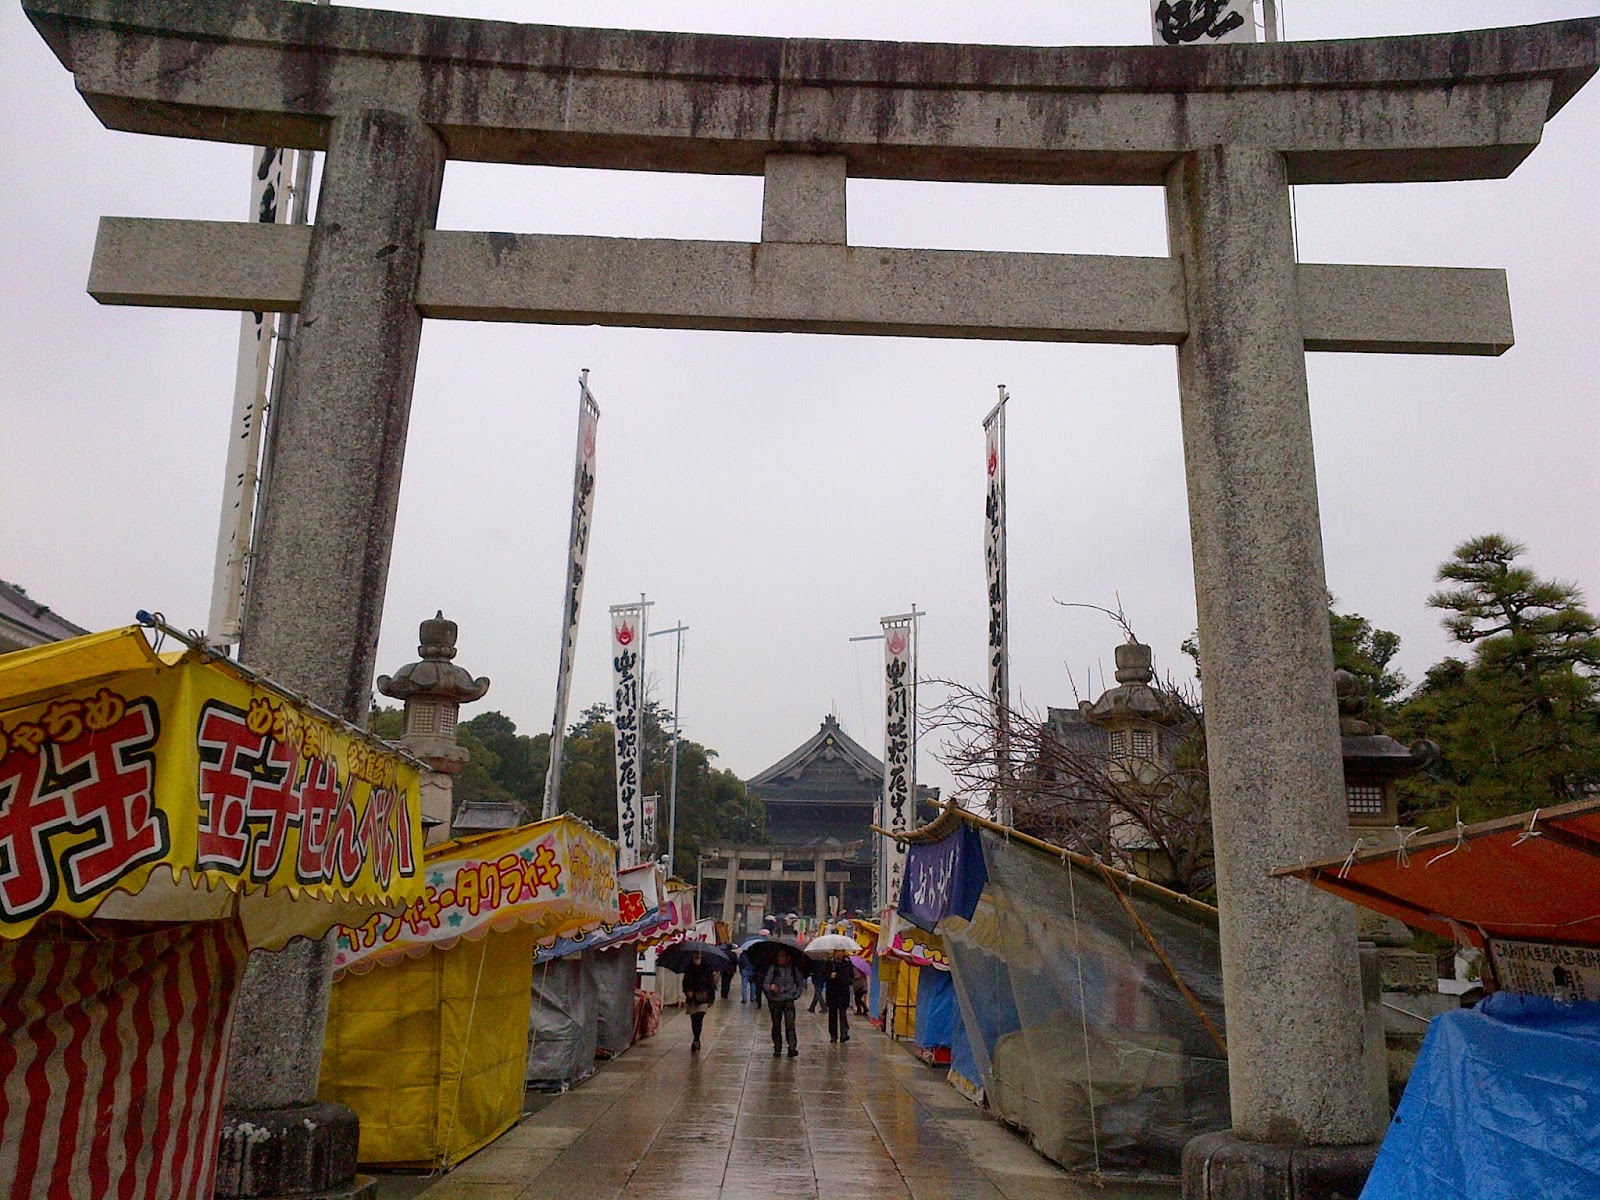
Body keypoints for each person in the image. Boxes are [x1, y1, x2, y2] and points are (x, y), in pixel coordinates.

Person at [763, 947, 807, 1058]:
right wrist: (770, 988)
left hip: (788, 1000)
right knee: (776, 1025)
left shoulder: (793, 969)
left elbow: (800, 983)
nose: (780, 959)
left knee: (790, 1024)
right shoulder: (773, 969)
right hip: (776, 1000)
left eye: (783, 956)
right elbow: (766, 983)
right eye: (779, 956)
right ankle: (777, 1048)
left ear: (788, 958)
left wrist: (795, 995)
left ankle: (792, 1047)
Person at [683, 950, 717, 1052]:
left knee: (700, 1017)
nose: (697, 958)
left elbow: (711, 984)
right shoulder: (689, 968)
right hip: (692, 998)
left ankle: (697, 1039)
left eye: (698, 956)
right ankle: (696, 1037)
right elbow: (685, 982)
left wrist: (711, 998)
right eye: (695, 956)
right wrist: (687, 991)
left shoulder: (707, 968)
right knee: (694, 1019)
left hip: (703, 997)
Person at [822, 950, 854, 1043]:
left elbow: (851, 977)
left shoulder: (847, 963)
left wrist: (842, 977)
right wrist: (830, 976)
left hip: (843, 992)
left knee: (843, 1014)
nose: (839, 954)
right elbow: (824, 976)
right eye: (838, 952)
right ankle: (833, 1035)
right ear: (834, 953)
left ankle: (844, 1033)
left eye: (841, 952)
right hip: (832, 993)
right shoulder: (829, 963)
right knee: (832, 1015)